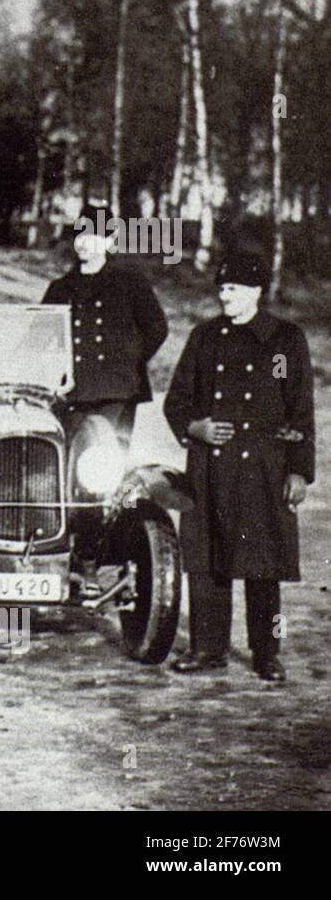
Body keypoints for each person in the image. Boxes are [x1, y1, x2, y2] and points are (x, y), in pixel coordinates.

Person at [164, 253, 313, 682]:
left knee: (264, 566)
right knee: (208, 562)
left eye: (233, 289)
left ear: (256, 292)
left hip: (264, 469)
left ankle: (268, 653)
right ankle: (207, 648)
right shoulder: (204, 338)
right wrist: (196, 427)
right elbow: (177, 400)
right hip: (211, 469)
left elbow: (298, 408)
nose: (224, 296)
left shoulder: (284, 343)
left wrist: (298, 471)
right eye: (222, 289)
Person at [42, 199, 167, 453]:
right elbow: (41, 339)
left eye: (94, 235)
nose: (85, 242)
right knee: (68, 461)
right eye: (80, 234)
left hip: (117, 392)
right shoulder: (60, 288)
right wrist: (54, 373)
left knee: (106, 463)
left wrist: (129, 361)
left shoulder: (129, 282)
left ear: (109, 241)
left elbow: (156, 327)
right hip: (72, 393)